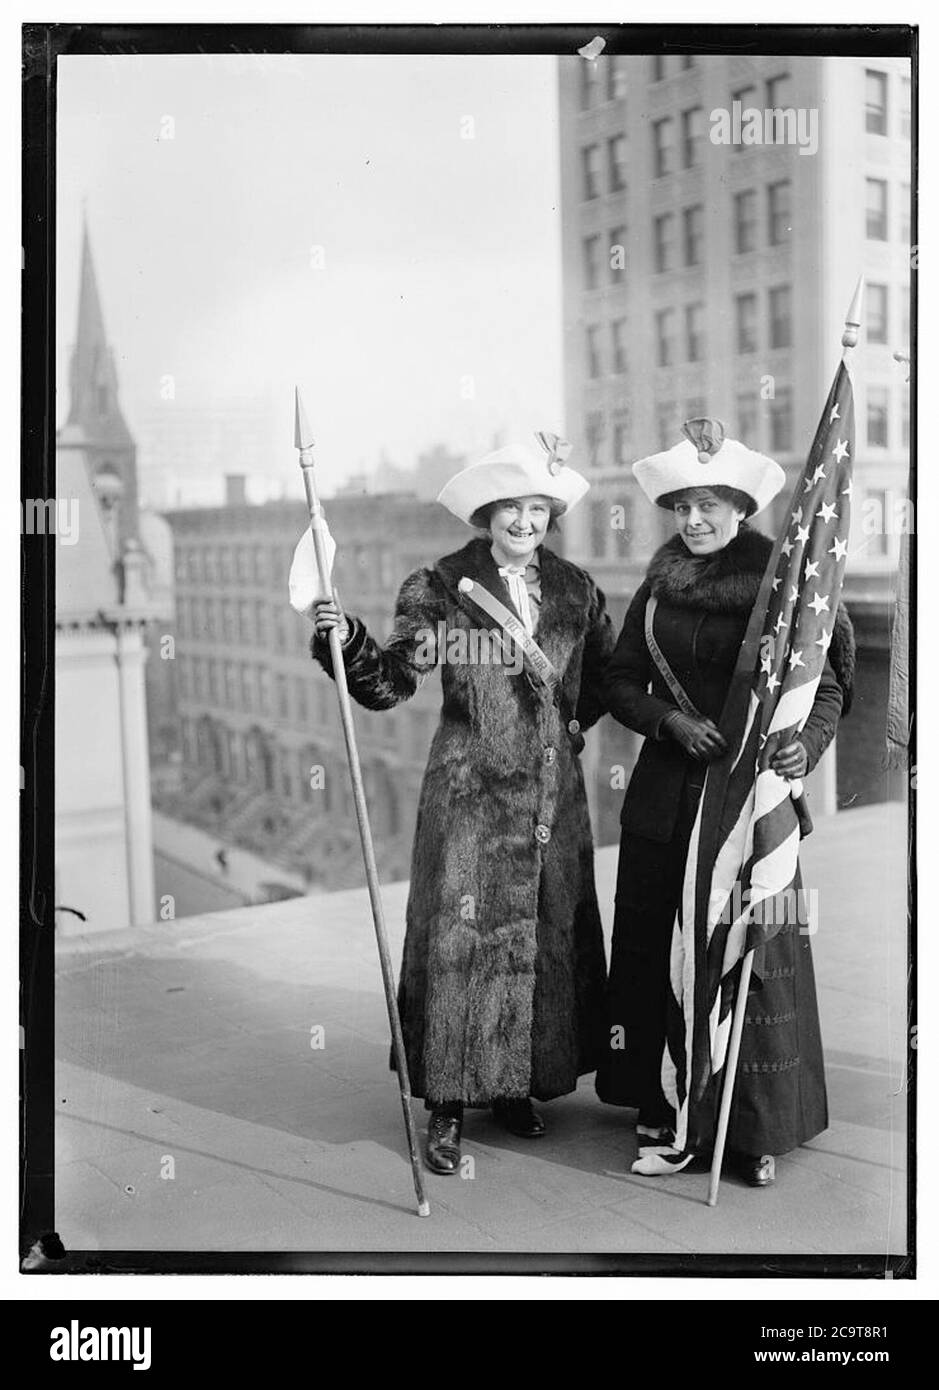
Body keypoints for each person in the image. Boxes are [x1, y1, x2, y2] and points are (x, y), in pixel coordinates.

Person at [308, 438, 614, 1174]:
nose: (524, 520)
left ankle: (517, 1087)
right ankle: (445, 1105)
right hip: (469, 798)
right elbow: (389, 683)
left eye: (537, 508)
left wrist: (570, 726)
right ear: (486, 514)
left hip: (549, 798)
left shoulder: (575, 589)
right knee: (459, 943)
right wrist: (345, 640)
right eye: (510, 507)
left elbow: (604, 676)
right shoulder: (441, 587)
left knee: (540, 938)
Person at [595, 417, 855, 1187]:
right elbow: (616, 682)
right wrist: (668, 720)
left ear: (741, 509)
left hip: (750, 809)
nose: (694, 520)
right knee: (655, 949)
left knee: (753, 956)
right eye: (681, 508)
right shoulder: (654, 587)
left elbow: (829, 684)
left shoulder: (788, 585)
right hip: (665, 803)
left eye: (710, 505)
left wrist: (803, 748)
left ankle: (752, 1125)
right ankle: (659, 1095)